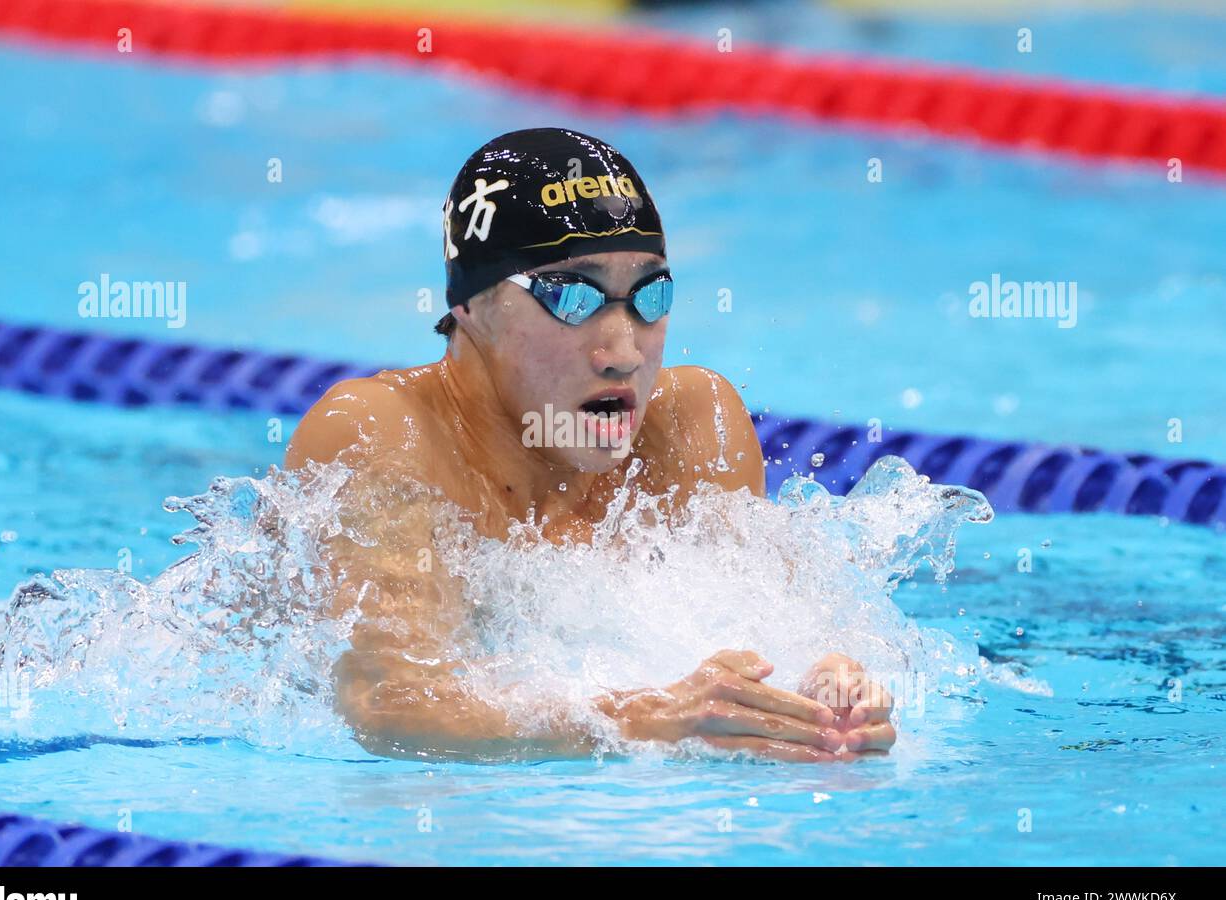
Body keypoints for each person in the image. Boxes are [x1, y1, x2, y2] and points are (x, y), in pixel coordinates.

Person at [286, 128, 894, 763]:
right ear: (473, 305)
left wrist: (823, 681)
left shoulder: (688, 426)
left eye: (651, 296)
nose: (624, 354)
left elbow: (769, 630)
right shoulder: (381, 434)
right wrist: (632, 722)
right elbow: (390, 707)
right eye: (572, 297)